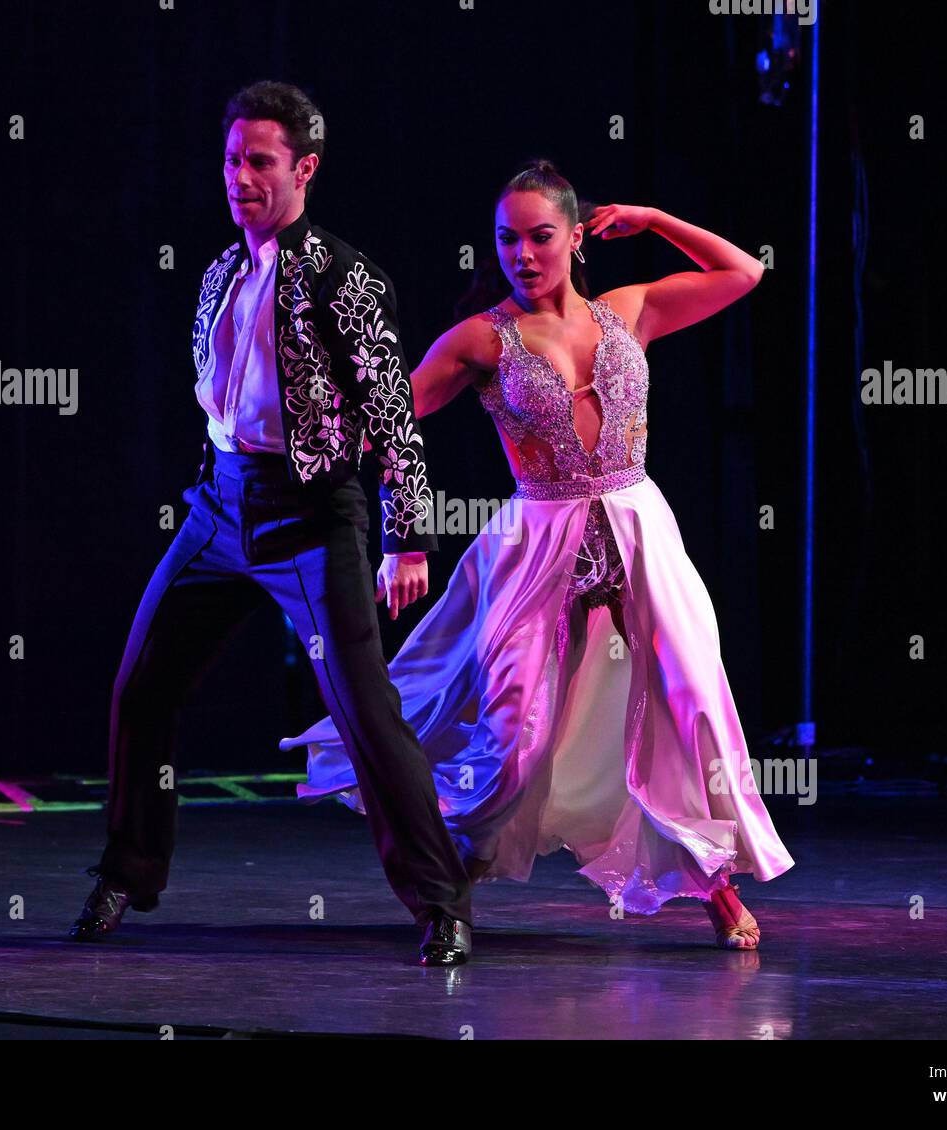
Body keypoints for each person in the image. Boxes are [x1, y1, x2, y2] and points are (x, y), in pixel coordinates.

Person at [282, 160, 794, 949]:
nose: (521, 253)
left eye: (540, 237)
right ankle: (458, 868)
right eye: (506, 239)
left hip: (638, 527)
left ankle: (711, 879)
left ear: (577, 237)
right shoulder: (484, 338)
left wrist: (654, 217)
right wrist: (377, 510)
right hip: (537, 542)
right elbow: (390, 419)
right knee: (517, 733)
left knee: (690, 696)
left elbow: (744, 271)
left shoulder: (631, 310)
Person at [69, 81, 472, 966]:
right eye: (231, 159)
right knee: (142, 686)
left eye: (260, 160)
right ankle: (128, 871)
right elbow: (223, 402)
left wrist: (409, 536)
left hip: (313, 518)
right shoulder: (217, 273)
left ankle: (442, 902)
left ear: (305, 169)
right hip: (220, 510)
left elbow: (395, 420)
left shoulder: (345, 277)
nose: (241, 176)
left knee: (367, 715)